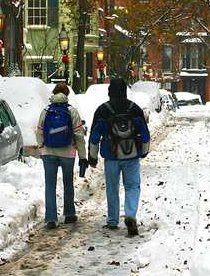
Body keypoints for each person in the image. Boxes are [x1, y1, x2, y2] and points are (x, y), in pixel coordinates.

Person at [88, 77, 150, 236]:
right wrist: (144, 151)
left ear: (110, 91)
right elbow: (145, 134)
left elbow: (95, 136)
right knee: (132, 186)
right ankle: (130, 215)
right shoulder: (134, 109)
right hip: (131, 156)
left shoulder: (103, 110)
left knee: (112, 188)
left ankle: (112, 220)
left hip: (111, 156)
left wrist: (92, 158)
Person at [36, 82, 88, 230]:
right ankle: (69, 214)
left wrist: (42, 147)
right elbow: (78, 134)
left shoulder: (46, 110)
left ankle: (51, 218)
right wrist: (82, 156)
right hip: (68, 152)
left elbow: (39, 131)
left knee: (50, 185)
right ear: (67, 94)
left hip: (49, 152)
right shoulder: (72, 111)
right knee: (68, 182)